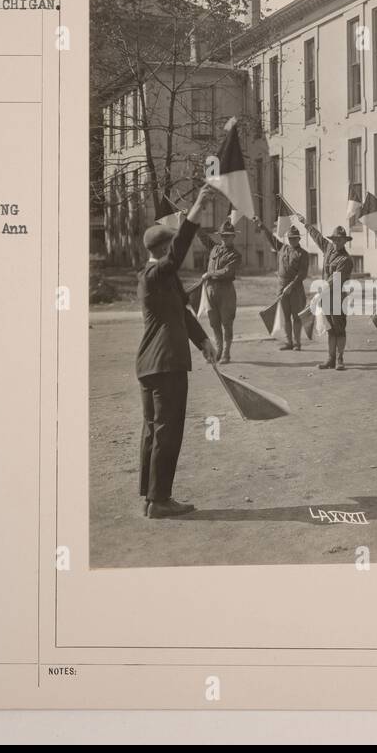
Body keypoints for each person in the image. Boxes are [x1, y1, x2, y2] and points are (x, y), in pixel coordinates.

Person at [135, 184, 219, 519]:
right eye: (172, 246)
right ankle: (160, 500)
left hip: (151, 364)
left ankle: (150, 495)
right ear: (164, 248)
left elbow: (183, 314)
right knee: (166, 431)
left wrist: (203, 342)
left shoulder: (162, 279)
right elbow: (179, 250)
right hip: (165, 364)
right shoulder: (155, 273)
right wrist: (198, 207)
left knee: (154, 430)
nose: (177, 252)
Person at [253, 217, 310, 351]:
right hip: (281, 287)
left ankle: (297, 343)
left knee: (296, 317)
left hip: (295, 289)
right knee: (285, 316)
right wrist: (262, 226)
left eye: (295, 238)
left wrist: (291, 286)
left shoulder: (303, 254)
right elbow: (271, 239)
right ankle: (289, 342)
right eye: (290, 238)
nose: (292, 240)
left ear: (299, 239)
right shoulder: (283, 248)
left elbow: (302, 274)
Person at [305, 221, 354, 371]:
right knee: (330, 329)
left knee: (339, 328)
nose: (336, 242)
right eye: (334, 239)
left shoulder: (346, 259)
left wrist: (321, 291)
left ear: (345, 241)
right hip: (326, 298)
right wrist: (306, 224)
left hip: (338, 298)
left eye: (339, 240)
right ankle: (330, 359)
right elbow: (317, 236)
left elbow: (335, 279)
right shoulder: (328, 249)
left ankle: (340, 359)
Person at [201, 217, 242, 363]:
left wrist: (210, 274)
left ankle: (226, 353)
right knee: (214, 322)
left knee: (226, 322)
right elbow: (202, 236)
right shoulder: (214, 248)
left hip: (226, 291)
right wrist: (189, 220)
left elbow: (227, 271)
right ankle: (218, 351)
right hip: (210, 290)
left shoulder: (235, 255)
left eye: (228, 236)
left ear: (233, 237)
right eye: (222, 236)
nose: (225, 238)